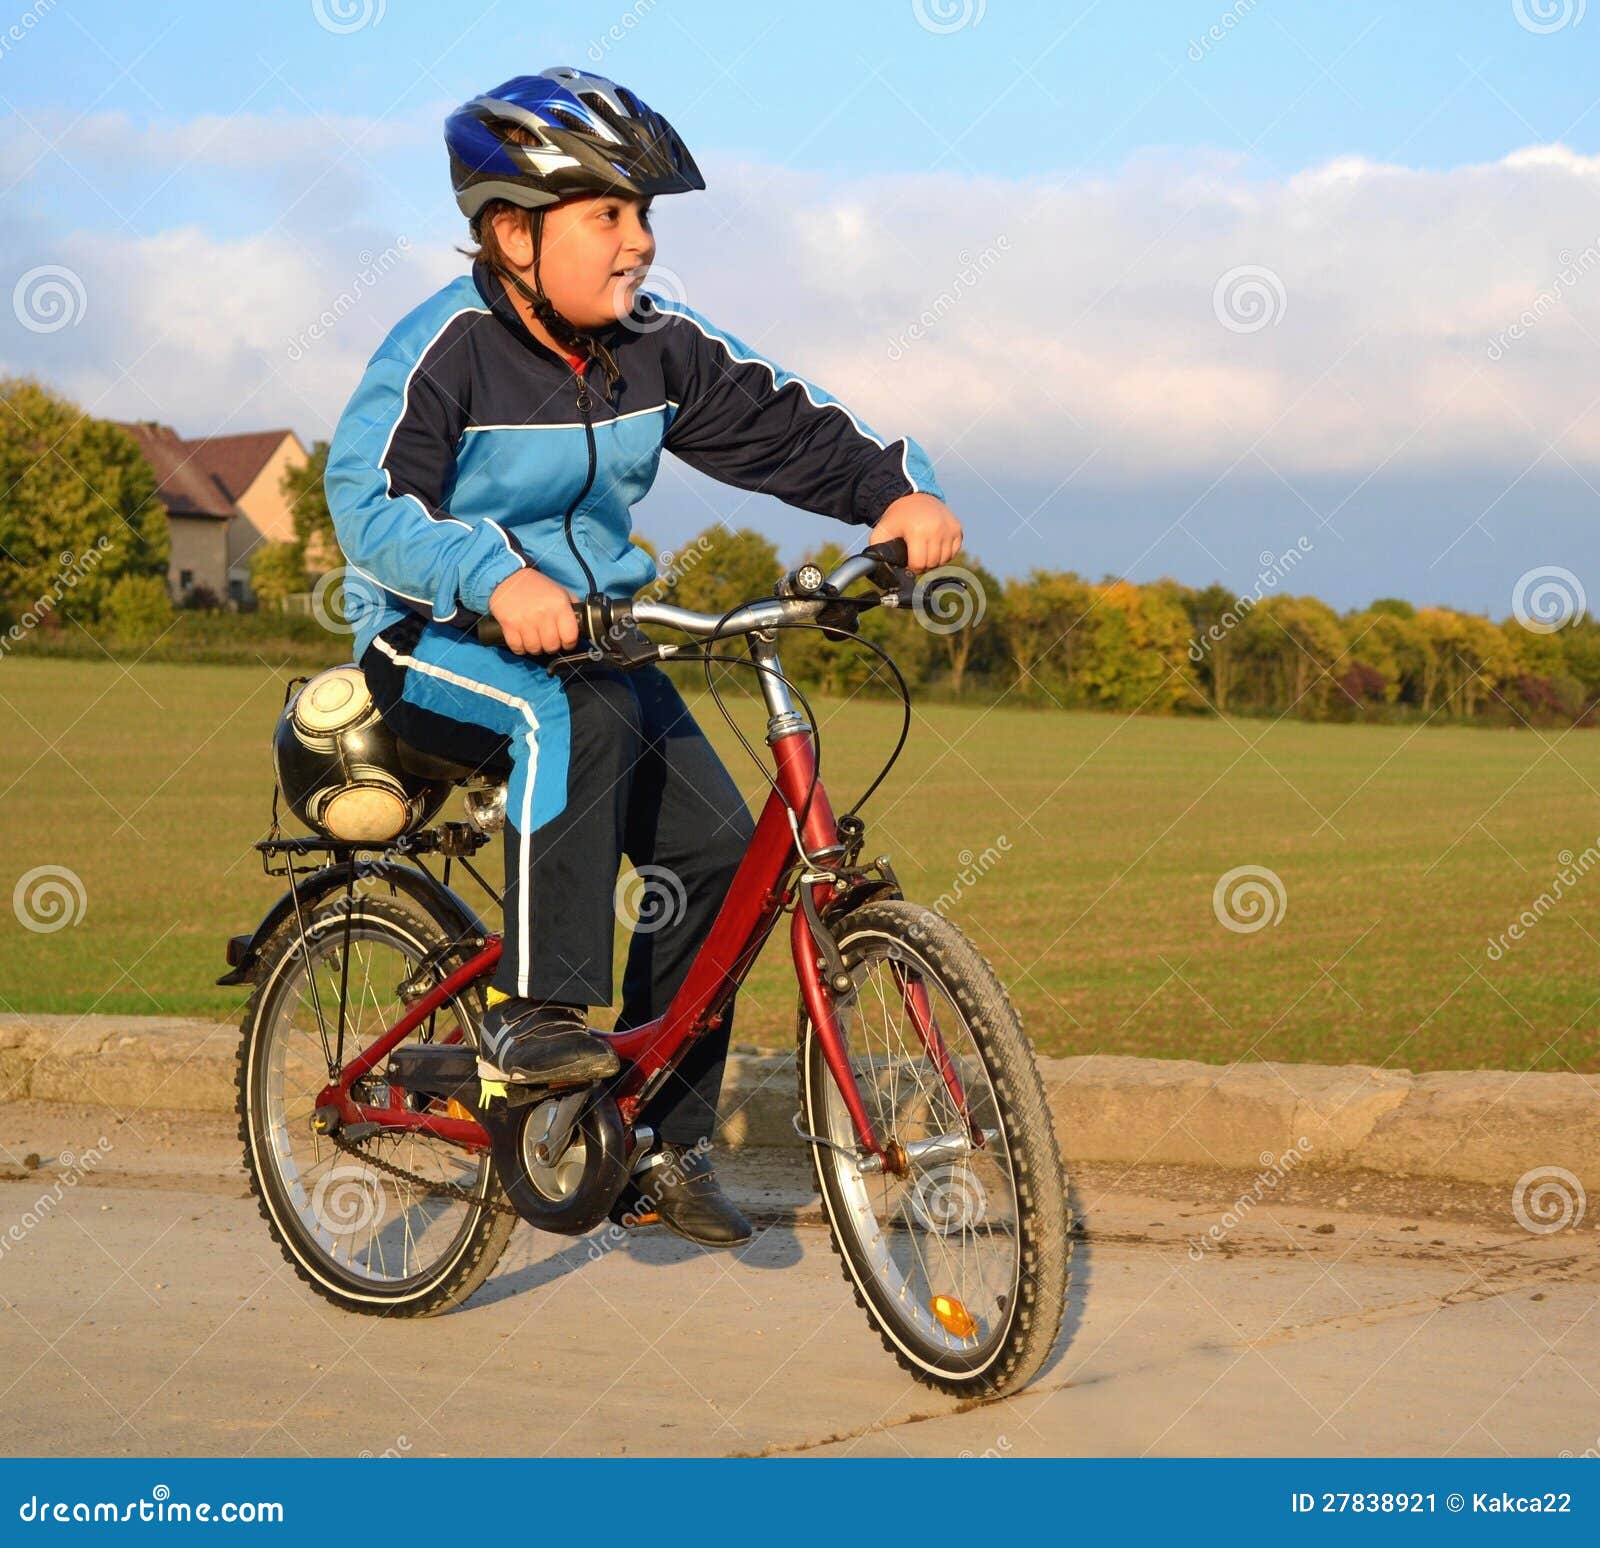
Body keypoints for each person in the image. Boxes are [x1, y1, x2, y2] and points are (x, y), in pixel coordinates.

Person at [325, 67, 963, 1247]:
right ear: (512, 233)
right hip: (435, 642)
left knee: (725, 852)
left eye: (644, 215)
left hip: (599, 640)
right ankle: (540, 1024)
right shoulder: (445, 351)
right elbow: (365, 504)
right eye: (609, 214)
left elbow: (778, 422)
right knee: (562, 723)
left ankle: (660, 1144)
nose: (639, 243)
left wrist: (891, 492)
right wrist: (493, 577)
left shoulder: (652, 346)